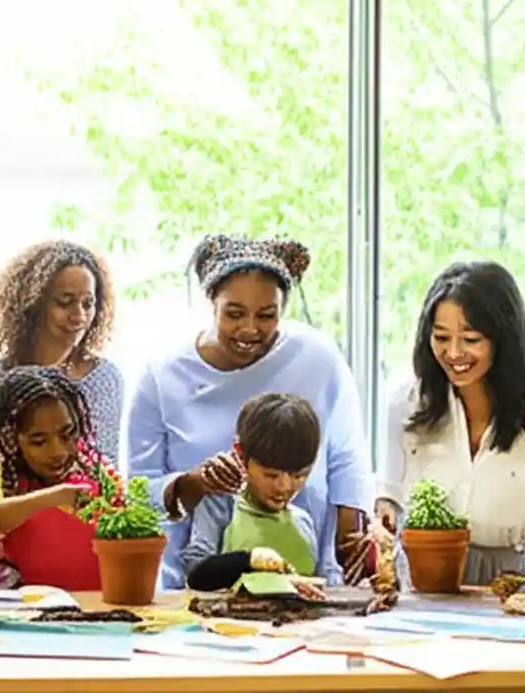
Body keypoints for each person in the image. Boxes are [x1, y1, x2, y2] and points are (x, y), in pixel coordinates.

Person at [126, 233, 375, 589]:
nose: (249, 329)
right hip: (196, 581)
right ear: (212, 303)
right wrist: (194, 484)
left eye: (266, 315)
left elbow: (347, 455)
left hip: (307, 575)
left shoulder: (317, 358)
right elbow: (137, 490)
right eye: (234, 314)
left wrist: (350, 543)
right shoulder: (162, 376)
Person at [376, 262, 525, 593]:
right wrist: (382, 517)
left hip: (507, 585)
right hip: (424, 583)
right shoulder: (406, 406)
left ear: (502, 338)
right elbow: (389, 497)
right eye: (441, 337)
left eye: (471, 339)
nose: (454, 353)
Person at [0, 240, 121, 590]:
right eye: (65, 302)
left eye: (89, 303)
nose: (79, 315)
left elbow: (102, 475)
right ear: (33, 302)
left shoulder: (104, 379)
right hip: (6, 556)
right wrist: (53, 498)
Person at [0, 366, 116, 590]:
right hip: (25, 618)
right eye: (39, 441)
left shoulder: (100, 475)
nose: (58, 451)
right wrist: (51, 498)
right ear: (11, 440)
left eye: (67, 434)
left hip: (100, 615)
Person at [183, 393, 330, 595]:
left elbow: (326, 581)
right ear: (241, 455)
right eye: (271, 475)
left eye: (299, 475)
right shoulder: (221, 506)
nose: (284, 486)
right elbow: (195, 575)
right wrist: (249, 560)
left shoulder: (304, 521)